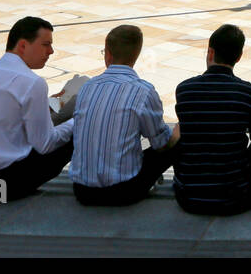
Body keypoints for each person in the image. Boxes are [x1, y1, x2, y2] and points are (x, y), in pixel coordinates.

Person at [0, 17, 75, 202]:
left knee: (47, 122)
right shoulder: (32, 83)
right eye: (46, 44)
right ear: (23, 46)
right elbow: (45, 144)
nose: (51, 51)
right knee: (84, 127)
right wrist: (78, 119)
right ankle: (96, 184)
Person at [70, 25, 179, 206]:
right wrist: (175, 135)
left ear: (108, 54)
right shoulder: (143, 91)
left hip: (82, 191)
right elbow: (160, 144)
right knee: (178, 138)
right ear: (136, 55)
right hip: (123, 191)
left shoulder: (87, 87)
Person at [173, 24, 251, 215]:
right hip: (237, 197)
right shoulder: (249, 92)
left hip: (190, 198)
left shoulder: (184, 90)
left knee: (180, 132)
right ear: (239, 57)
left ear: (210, 52)